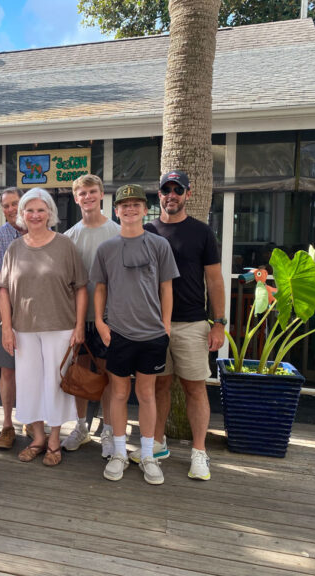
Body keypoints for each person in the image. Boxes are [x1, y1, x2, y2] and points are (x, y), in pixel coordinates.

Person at [133, 170, 226, 481]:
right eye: (165, 190)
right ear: (158, 195)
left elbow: (214, 280)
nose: (170, 195)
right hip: (152, 326)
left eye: (177, 189)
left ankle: (199, 453)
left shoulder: (202, 233)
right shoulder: (146, 231)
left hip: (191, 324)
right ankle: (156, 445)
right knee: (158, 385)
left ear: (188, 193)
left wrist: (219, 323)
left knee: (194, 388)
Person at [91, 184, 178, 485]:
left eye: (135, 205)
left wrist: (165, 325)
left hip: (152, 334)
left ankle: (148, 455)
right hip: (118, 333)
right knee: (117, 393)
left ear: (145, 209)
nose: (129, 210)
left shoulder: (159, 245)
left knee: (147, 394)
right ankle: (118, 453)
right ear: (115, 211)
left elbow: (167, 287)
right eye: (123, 205)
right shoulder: (106, 249)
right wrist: (101, 324)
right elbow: (99, 288)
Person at [0, 188, 87, 467]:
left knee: (56, 384)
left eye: (41, 209)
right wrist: (6, 328)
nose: (35, 215)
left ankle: (54, 440)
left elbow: (81, 288)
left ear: (50, 212)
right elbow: (3, 290)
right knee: (29, 384)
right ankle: (37, 438)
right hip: (24, 329)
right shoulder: (14, 247)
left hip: (61, 327)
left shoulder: (64, 245)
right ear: (22, 214)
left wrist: (79, 326)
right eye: (30, 210)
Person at [61, 175, 121, 457]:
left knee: (109, 375)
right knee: (81, 374)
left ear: (101, 194)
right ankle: (82, 427)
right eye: (82, 193)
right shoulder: (70, 237)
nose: (87, 197)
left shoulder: (117, 232)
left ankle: (108, 431)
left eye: (92, 192)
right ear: (76, 198)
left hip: (110, 318)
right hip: (79, 319)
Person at [0, 187, 25, 450]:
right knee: (8, 371)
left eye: (15, 204)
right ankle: (8, 425)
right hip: (9, 313)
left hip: (39, 316)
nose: (10, 209)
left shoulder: (42, 231)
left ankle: (33, 421)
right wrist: (5, 318)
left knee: (35, 371)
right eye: (6, 206)